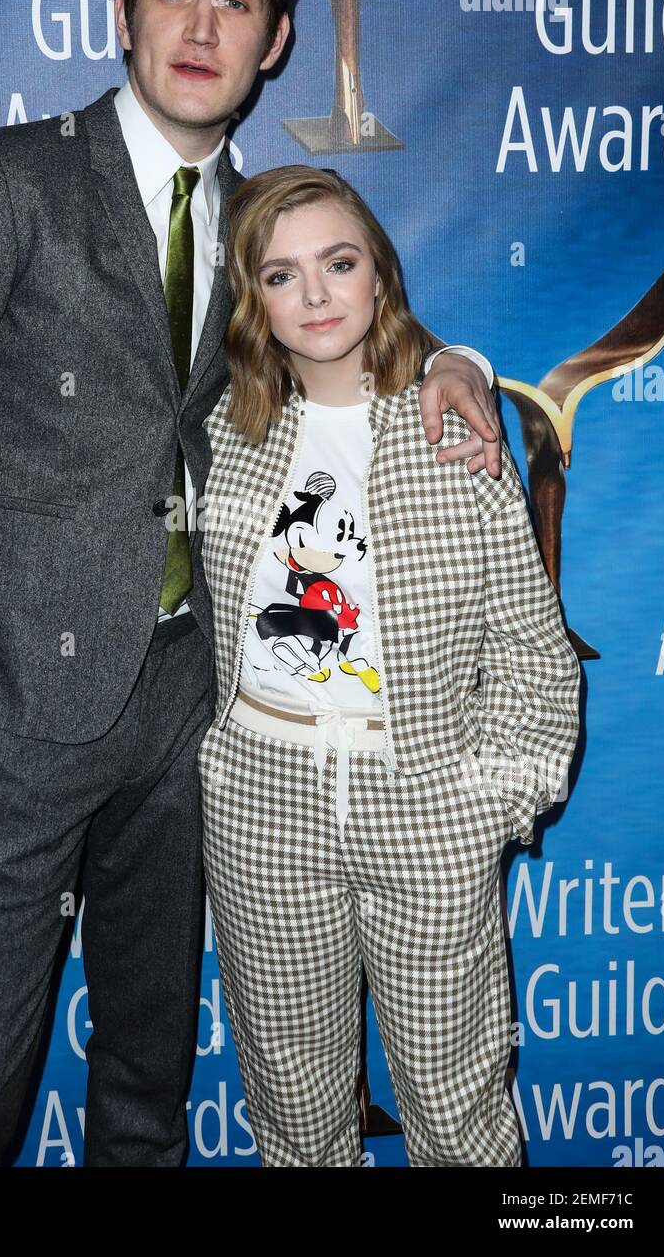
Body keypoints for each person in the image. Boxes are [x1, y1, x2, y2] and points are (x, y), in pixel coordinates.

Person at [0, 0, 503, 1167]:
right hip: (15, 706)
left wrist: (456, 363)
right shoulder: (5, 179)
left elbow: (355, 316)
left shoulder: (259, 215)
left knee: (148, 1067)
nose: (203, 27)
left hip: (187, 703)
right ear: (122, 16)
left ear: (273, 45)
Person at [196, 164, 581, 1168]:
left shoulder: (451, 429)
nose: (315, 294)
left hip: (425, 809)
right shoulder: (221, 437)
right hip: (261, 813)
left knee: (459, 1123)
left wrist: (487, 800)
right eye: (281, 275)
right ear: (254, 301)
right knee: (294, 1129)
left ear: (379, 278)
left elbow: (535, 652)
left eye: (338, 262)